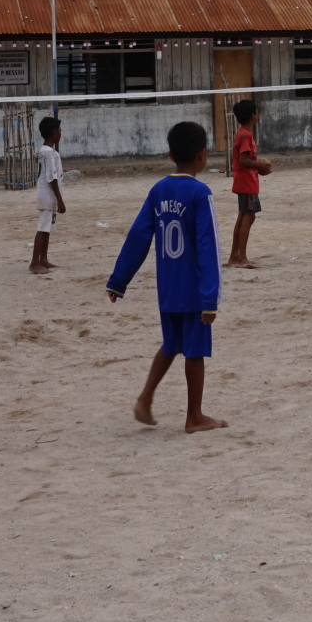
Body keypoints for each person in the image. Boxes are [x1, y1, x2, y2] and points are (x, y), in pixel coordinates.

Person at [106, 121, 226, 432]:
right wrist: (210, 296)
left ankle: (145, 398)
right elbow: (207, 245)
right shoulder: (200, 193)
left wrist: (119, 280)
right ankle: (194, 417)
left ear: (170, 153)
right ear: (202, 155)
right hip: (194, 290)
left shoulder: (158, 190)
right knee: (195, 352)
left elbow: (138, 236)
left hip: (168, 288)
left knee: (171, 344)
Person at [227, 98, 271, 268]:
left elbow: (244, 160)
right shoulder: (245, 135)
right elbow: (243, 160)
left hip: (244, 181)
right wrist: (259, 164)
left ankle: (234, 256)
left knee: (242, 216)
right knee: (249, 216)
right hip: (246, 181)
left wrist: (258, 166)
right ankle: (242, 257)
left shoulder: (242, 134)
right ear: (253, 115)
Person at [29, 115, 66, 273]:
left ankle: (43, 259)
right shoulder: (49, 153)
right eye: (59, 130)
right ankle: (34, 262)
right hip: (48, 196)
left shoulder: (45, 151)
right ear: (53, 133)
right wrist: (60, 200)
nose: (60, 132)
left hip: (47, 195)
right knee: (43, 228)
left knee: (48, 228)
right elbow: (52, 178)